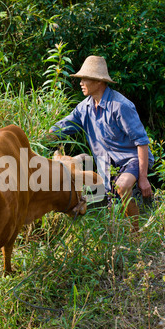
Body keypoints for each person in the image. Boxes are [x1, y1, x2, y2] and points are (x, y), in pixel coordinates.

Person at [48, 55, 154, 232]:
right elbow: (60, 129)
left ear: (98, 82)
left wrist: (143, 179)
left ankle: (137, 236)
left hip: (131, 159)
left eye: (85, 78)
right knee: (106, 207)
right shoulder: (84, 108)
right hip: (106, 167)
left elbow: (142, 143)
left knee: (122, 185)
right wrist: (40, 137)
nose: (81, 83)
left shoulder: (120, 106)